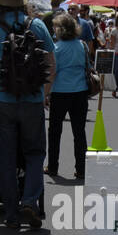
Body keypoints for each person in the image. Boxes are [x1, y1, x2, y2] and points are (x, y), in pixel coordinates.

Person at [0, 0, 56, 229]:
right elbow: (51, 65)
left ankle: (10, 212)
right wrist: (43, 93)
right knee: (34, 154)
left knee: (5, 157)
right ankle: (30, 201)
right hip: (32, 101)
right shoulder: (38, 26)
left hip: (3, 101)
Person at [46, 13, 92, 180]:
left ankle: (52, 166)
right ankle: (81, 168)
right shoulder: (82, 45)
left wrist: (46, 93)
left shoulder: (56, 48)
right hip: (80, 92)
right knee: (79, 132)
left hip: (60, 93)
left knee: (55, 132)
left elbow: (52, 73)